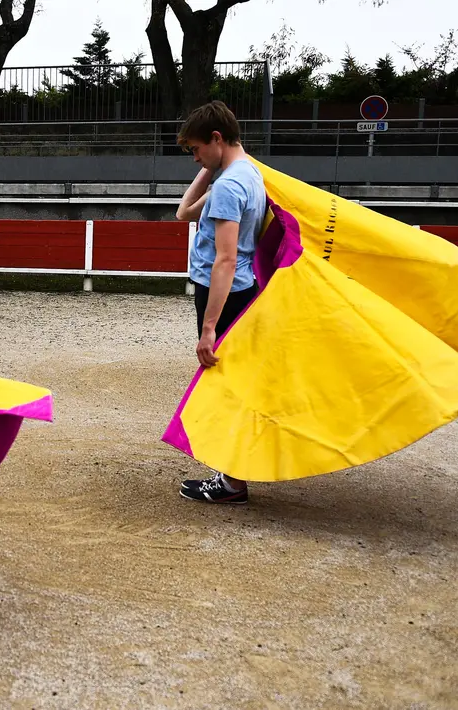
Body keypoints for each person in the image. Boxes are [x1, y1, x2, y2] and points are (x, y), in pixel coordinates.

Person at [173, 100, 266, 505]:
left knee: (226, 383)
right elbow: (183, 213)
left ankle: (232, 482)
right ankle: (232, 474)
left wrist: (209, 328)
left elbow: (226, 259)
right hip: (239, 289)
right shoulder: (245, 173)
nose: (194, 158)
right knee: (232, 382)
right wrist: (210, 167)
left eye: (196, 149)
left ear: (216, 138)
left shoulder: (230, 185)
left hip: (225, 293)